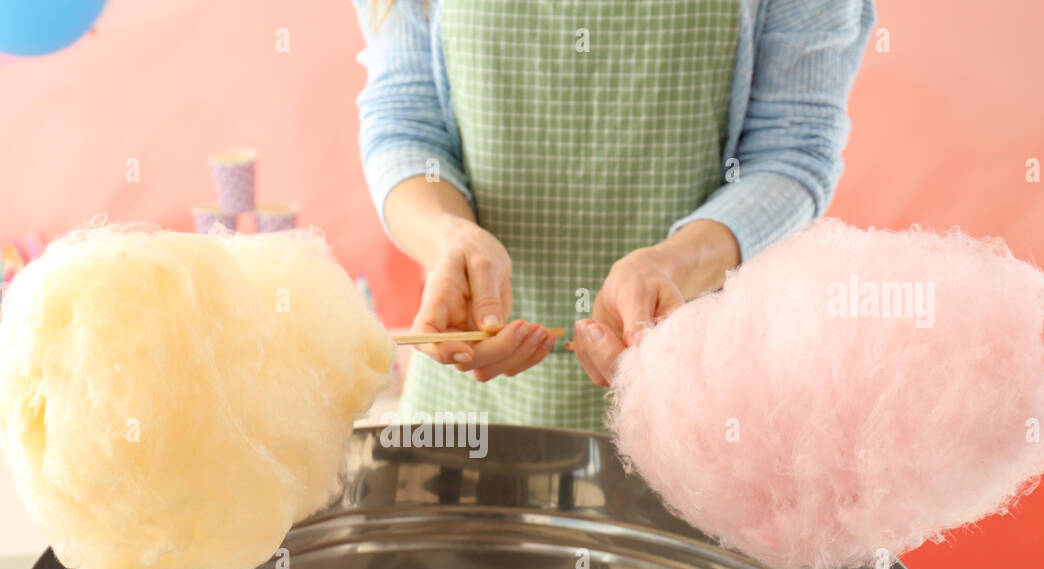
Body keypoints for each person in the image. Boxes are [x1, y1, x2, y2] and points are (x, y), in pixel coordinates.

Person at [352, 0, 875, 431]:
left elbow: (792, 149)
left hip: (695, 405)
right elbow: (405, 126)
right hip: (463, 412)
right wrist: (450, 238)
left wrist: (673, 266)